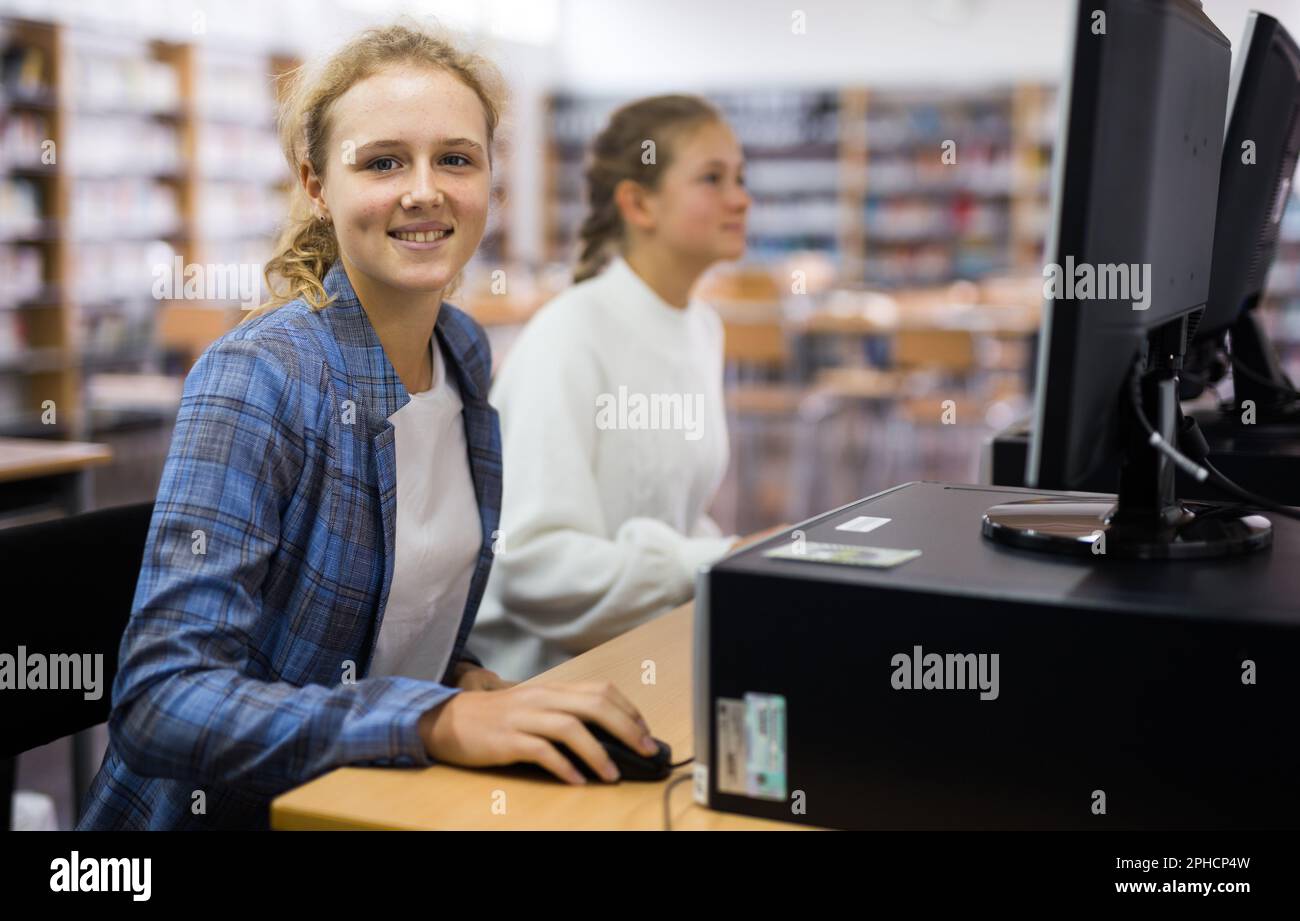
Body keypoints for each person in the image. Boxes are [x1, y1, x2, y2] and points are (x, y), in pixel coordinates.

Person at [78, 23, 659, 831]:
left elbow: (387, 611)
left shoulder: (462, 350)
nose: (424, 190)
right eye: (383, 161)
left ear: (491, 179)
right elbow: (161, 700)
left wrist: (458, 679)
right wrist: (430, 720)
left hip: (382, 799)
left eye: (456, 159)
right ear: (318, 185)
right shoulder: (261, 376)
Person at [473, 95, 750, 680]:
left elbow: (675, 513)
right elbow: (533, 565)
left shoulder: (701, 326)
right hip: (548, 676)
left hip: (651, 645)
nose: (740, 199)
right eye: (712, 179)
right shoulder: (571, 334)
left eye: (740, 178)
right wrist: (712, 561)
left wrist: (733, 562)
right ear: (638, 202)